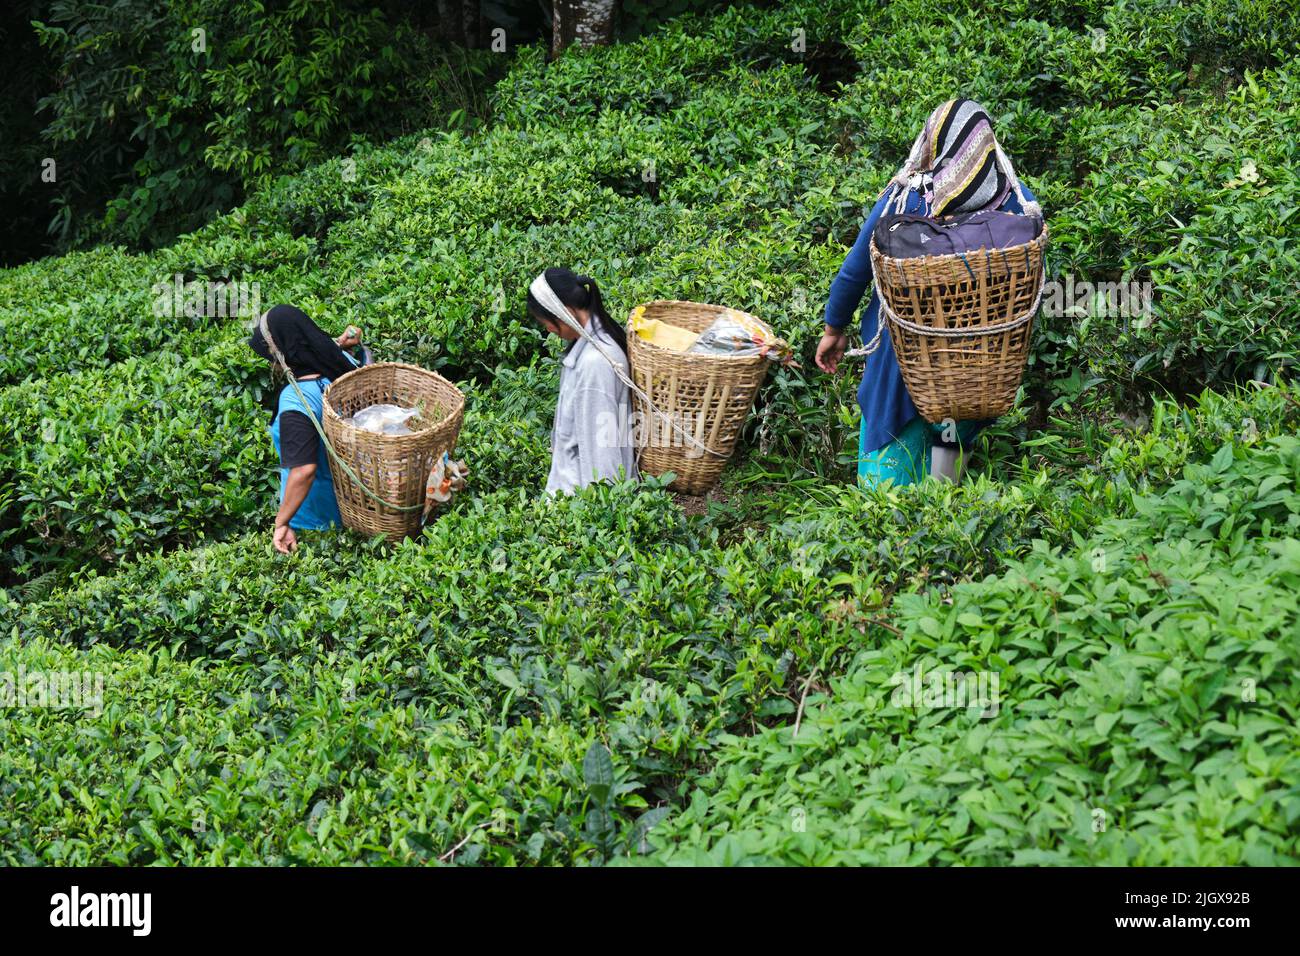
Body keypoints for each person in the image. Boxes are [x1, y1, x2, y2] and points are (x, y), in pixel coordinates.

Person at [816, 99, 1042, 487]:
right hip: (977, 370)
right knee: (942, 488)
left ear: (932, 143)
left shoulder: (907, 197)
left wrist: (834, 329)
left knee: (883, 501)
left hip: (902, 366)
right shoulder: (1016, 201)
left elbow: (856, 269)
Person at [249, 304, 363, 553]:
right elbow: (335, 351)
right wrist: (345, 344)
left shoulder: (295, 400)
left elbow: (303, 469)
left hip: (319, 525)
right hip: (358, 507)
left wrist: (282, 523)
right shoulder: (340, 366)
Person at [526, 268, 638, 495]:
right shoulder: (596, 343)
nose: (548, 329)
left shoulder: (594, 364)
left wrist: (602, 514)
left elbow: (601, 454)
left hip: (577, 503)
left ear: (565, 312)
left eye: (546, 322)